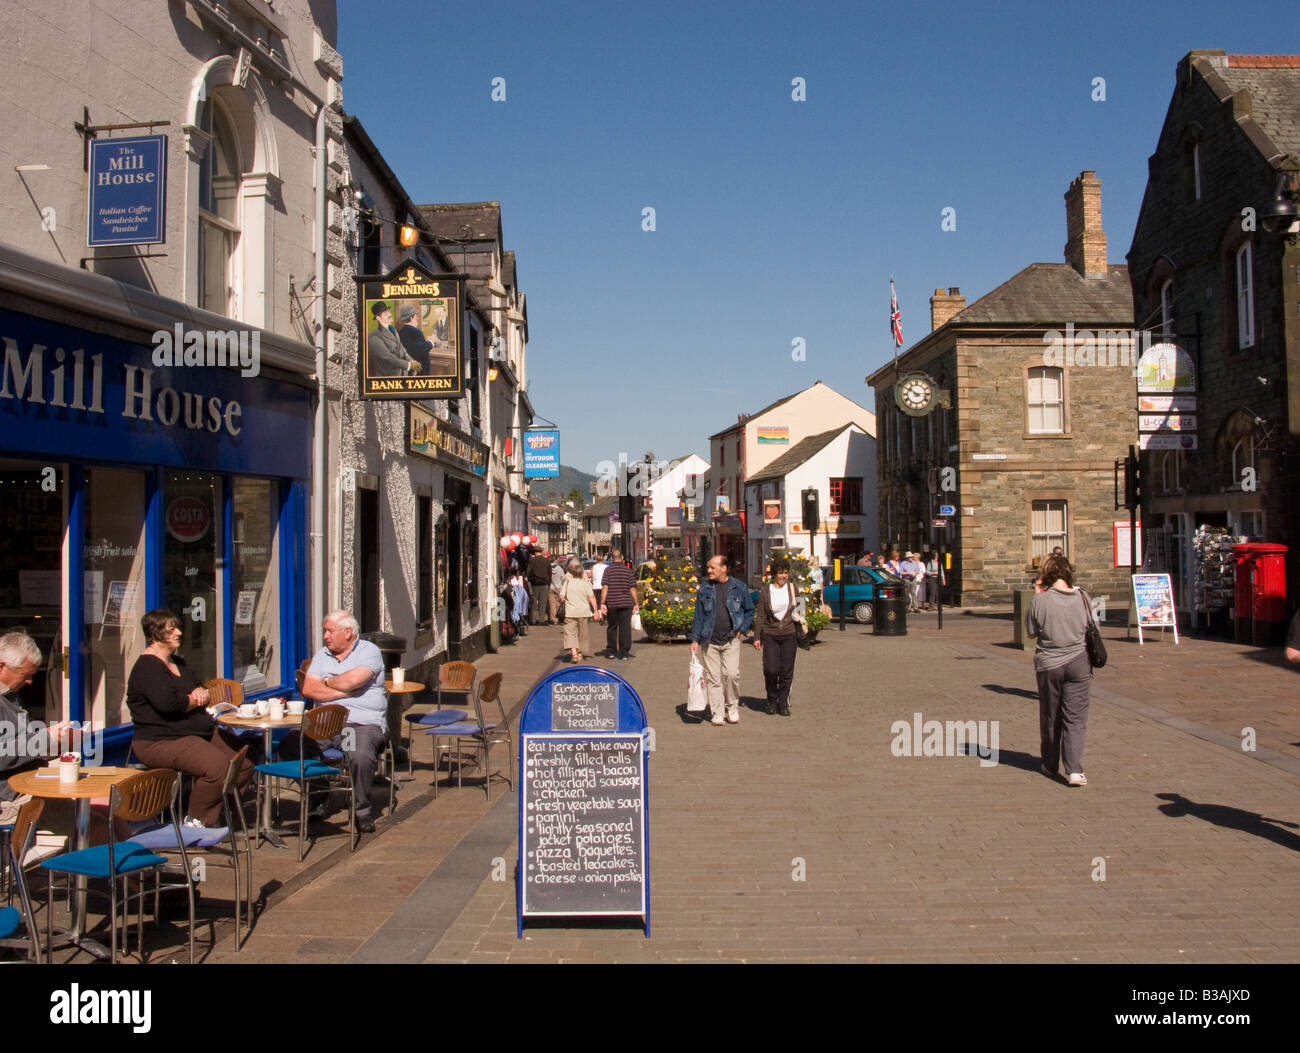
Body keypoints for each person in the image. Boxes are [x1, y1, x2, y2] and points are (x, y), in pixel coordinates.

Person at [127, 609, 255, 828]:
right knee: (218, 768)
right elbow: (169, 704)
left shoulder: (178, 662)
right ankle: (195, 819)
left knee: (243, 762)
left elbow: (200, 687)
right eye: (172, 629)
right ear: (155, 633)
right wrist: (195, 700)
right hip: (161, 739)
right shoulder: (147, 667)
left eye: (177, 628)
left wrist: (199, 692)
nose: (178, 632)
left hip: (196, 731)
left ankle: (219, 812)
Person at [298, 611, 390, 833]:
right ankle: (319, 795)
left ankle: (362, 809)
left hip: (355, 725)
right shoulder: (323, 655)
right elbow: (309, 688)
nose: (325, 636)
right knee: (293, 747)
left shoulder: (369, 652)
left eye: (330, 631)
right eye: (325, 631)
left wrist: (326, 681)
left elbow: (353, 681)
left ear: (348, 632)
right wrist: (343, 692)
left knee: (358, 755)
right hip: (324, 725)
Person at [1024, 554, 1097, 787]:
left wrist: (1037, 596)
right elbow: (1093, 626)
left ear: (1045, 575)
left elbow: (1030, 631)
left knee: (1050, 716)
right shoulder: (1083, 596)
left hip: (1049, 664)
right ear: (1068, 572)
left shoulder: (1040, 601)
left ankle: (1050, 764)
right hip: (1079, 662)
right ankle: (1075, 770)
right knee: (1075, 718)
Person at [689, 554, 755, 726]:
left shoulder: (738, 587)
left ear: (724, 568)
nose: (709, 570)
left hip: (731, 640)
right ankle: (717, 712)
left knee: (732, 675)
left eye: (712, 567)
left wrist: (742, 629)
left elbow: (749, 610)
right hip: (709, 640)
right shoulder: (704, 588)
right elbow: (699, 616)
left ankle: (732, 706)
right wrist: (695, 639)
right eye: (709, 567)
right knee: (713, 679)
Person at [752, 557, 800, 716]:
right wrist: (757, 636)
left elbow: (800, 607)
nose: (784, 576)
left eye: (786, 573)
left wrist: (801, 615)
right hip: (771, 634)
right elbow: (760, 615)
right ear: (774, 574)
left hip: (789, 633)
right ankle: (772, 699)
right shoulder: (766, 591)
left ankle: (783, 702)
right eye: (780, 573)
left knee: (786, 670)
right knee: (771, 670)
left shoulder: (793, 588)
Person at [599, 548, 638, 660]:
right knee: (625, 628)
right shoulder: (628, 571)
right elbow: (633, 589)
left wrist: (602, 603)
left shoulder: (608, 571)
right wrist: (636, 603)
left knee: (612, 627)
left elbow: (605, 587)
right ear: (622, 558)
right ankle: (624, 653)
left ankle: (611, 651)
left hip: (612, 603)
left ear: (612, 559)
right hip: (626, 604)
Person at [560, 558, 599, 661]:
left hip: (570, 612)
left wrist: (564, 599)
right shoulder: (586, 584)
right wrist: (595, 610)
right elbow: (592, 598)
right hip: (584, 611)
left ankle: (574, 653)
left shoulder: (567, 583)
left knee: (570, 633)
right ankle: (580, 653)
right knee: (582, 633)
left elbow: (561, 597)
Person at [367, 302, 418, 376]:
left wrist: (412, 361)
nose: (389, 314)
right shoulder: (373, 337)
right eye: (385, 313)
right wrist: (409, 365)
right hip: (388, 378)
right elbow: (387, 357)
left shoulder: (393, 329)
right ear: (378, 318)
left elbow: (401, 348)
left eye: (388, 311)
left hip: (402, 374)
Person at [396, 302, 432, 374]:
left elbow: (412, 347)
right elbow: (421, 349)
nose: (418, 318)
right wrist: (432, 342)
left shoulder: (400, 332)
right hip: (421, 370)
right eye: (416, 316)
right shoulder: (416, 332)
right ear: (411, 318)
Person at [527, 548, 553, 626]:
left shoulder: (532, 561)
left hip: (535, 584)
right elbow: (550, 573)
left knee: (534, 603)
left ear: (535, 552)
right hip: (544, 584)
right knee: (543, 603)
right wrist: (548, 582)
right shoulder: (547, 561)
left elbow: (528, 572)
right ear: (541, 552)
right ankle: (541, 620)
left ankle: (533, 620)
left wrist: (530, 580)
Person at [548, 556, 566, 625]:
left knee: (552, 604)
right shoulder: (559, 568)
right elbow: (563, 578)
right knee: (558, 603)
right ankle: (559, 618)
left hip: (550, 587)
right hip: (559, 587)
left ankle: (553, 619)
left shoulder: (548, 568)